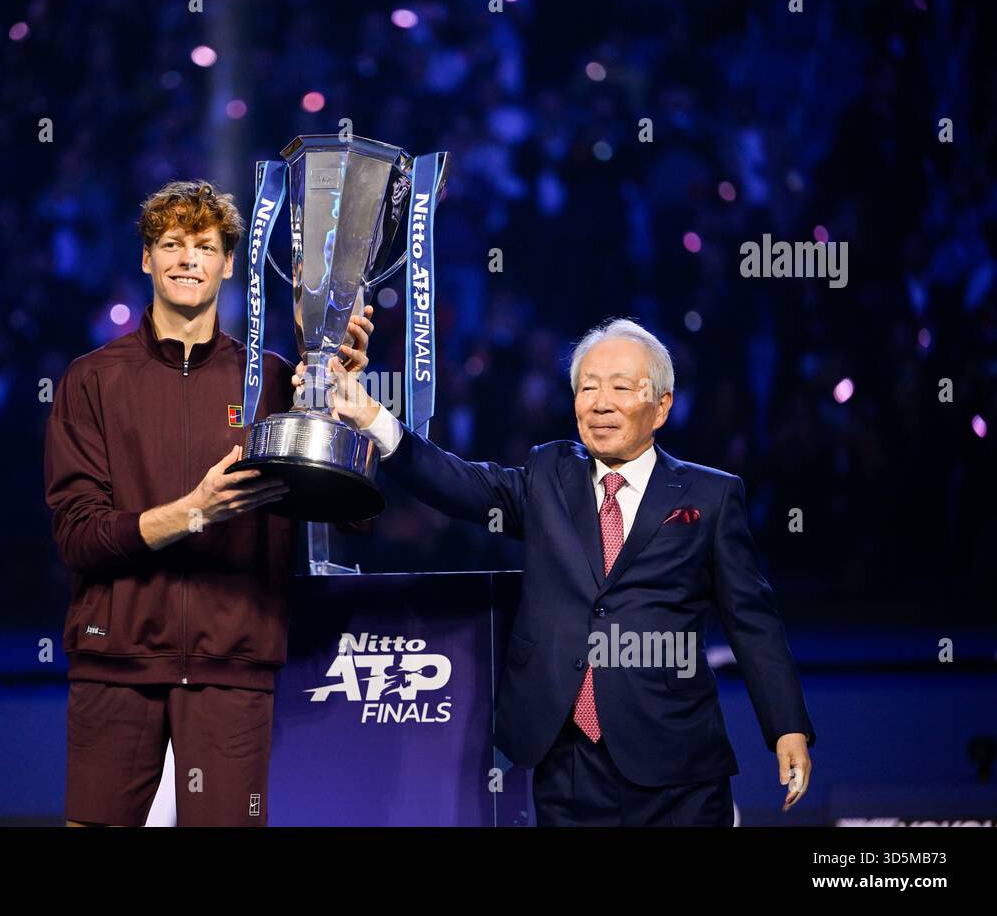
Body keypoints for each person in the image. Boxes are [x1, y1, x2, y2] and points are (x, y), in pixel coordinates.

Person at [303, 317, 815, 826]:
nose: (601, 402)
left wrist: (786, 727)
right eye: (587, 387)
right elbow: (459, 484)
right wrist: (371, 415)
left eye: (620, 387)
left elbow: (753, 621)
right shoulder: (550, 474)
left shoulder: (711, 496)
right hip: (567, 761)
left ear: (661, 407)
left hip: (676, 765)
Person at [46, 180, 374, 826]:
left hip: (233, 658)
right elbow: (77, 536)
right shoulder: (91, 380)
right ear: (146, 259)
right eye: (170, 244)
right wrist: (194, 510)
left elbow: (354, 513)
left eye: (204, 246)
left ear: (229, 264)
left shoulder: (278, 380)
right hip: (117, 658)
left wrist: (340, 406)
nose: (186, 259)